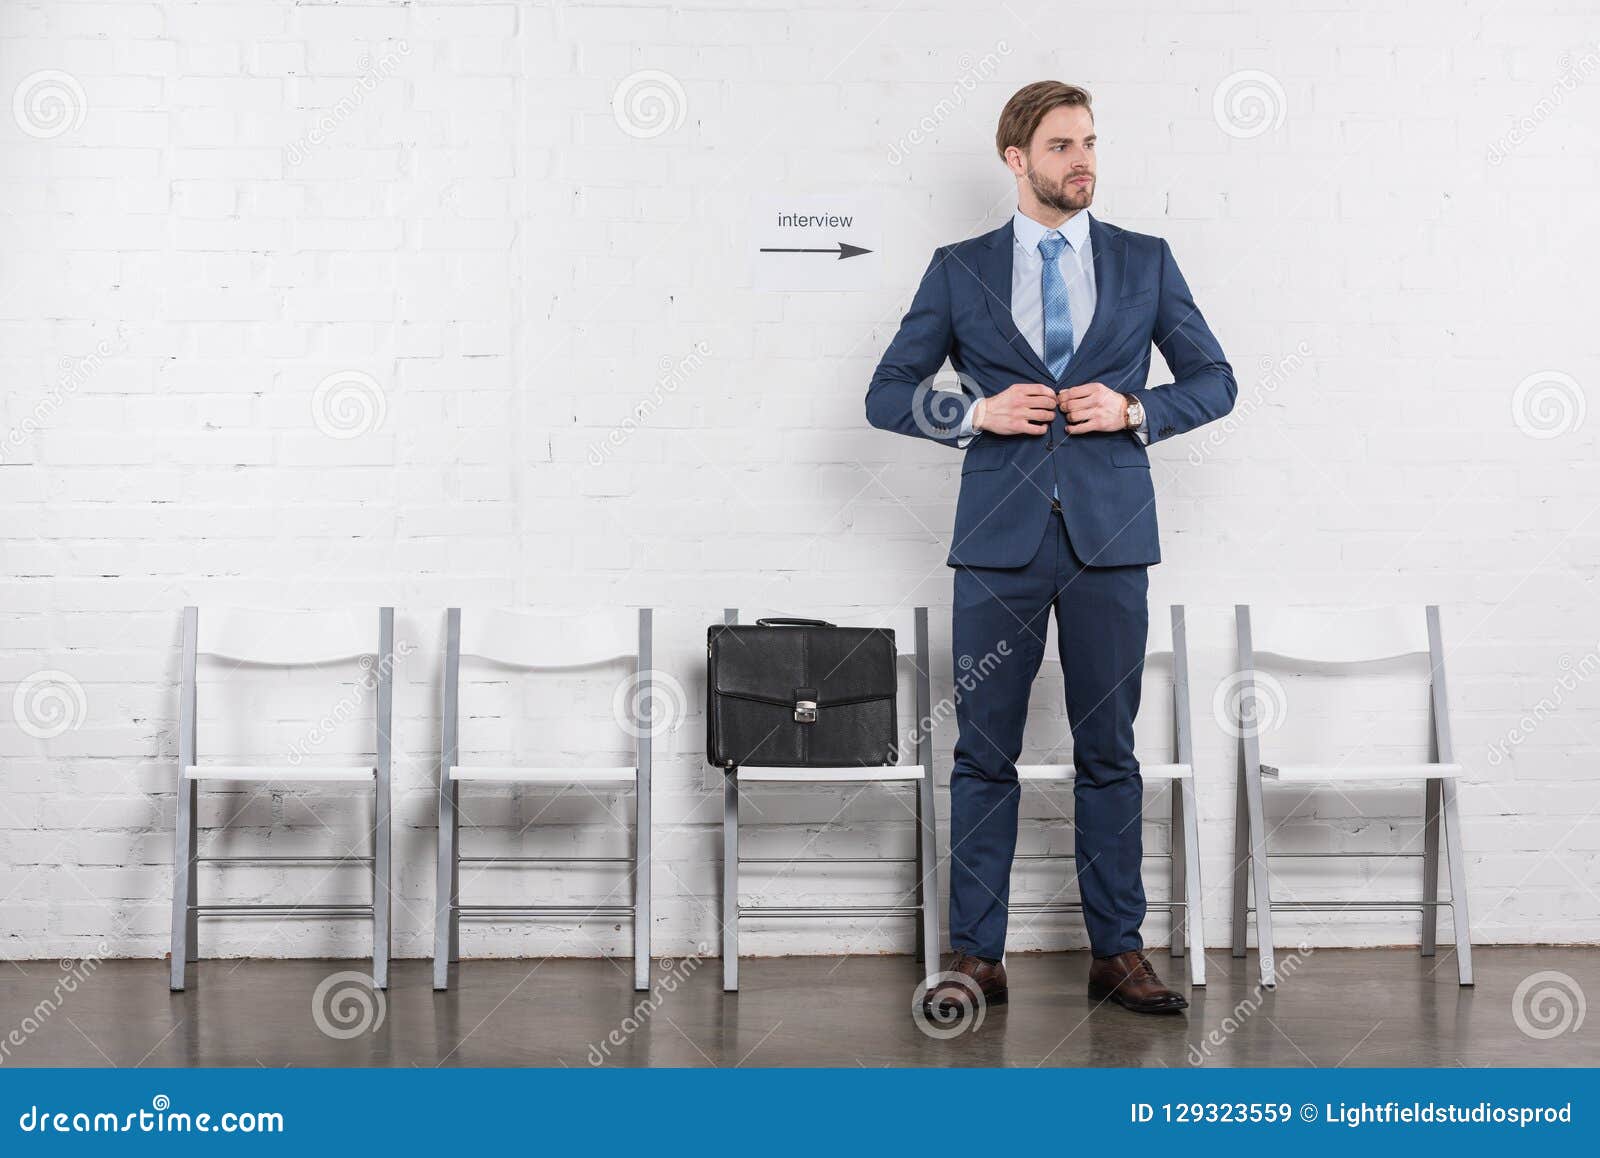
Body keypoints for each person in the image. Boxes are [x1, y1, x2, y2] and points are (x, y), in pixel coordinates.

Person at [865, 81, 1236, 1015]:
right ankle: (976, 955)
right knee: (982, 752)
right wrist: (973, 411)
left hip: (1111, 540)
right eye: (1063, 145)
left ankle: (1117, 952)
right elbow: (886, 392)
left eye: (1091, 143)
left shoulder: (1145, 262)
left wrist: (1137, 407)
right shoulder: (961, 268)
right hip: (999, 543)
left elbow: (1215, 379)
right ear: (1016, 159)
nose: (1084, 161)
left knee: (1108, 750)